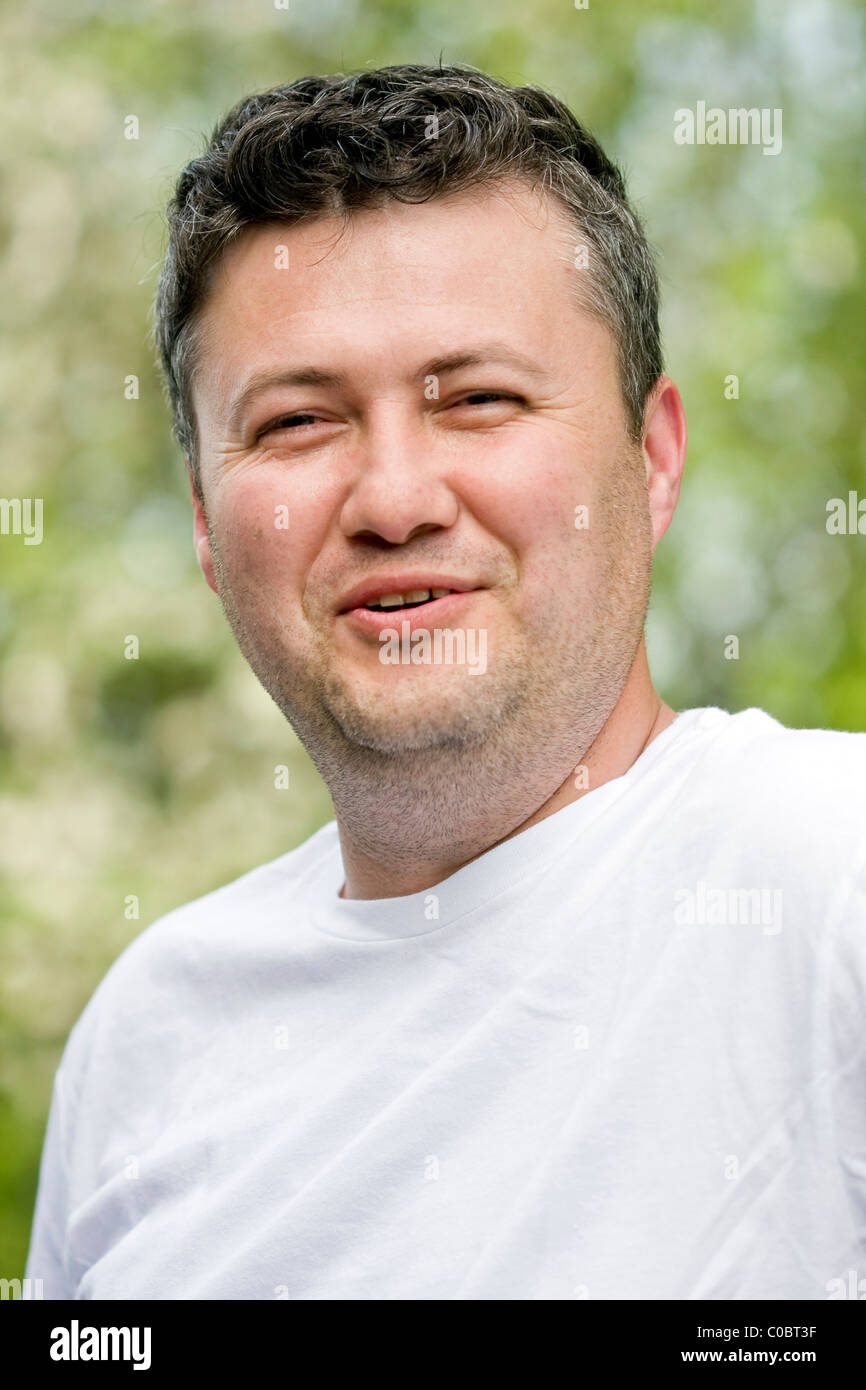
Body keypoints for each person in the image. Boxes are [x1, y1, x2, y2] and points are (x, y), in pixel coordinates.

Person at [26, 62, 866, 1300]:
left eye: (477, 399)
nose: (396, 501)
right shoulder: (146, 1037)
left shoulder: (831, 872)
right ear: (206, 522)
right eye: (299, 422)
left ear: (651, 459)